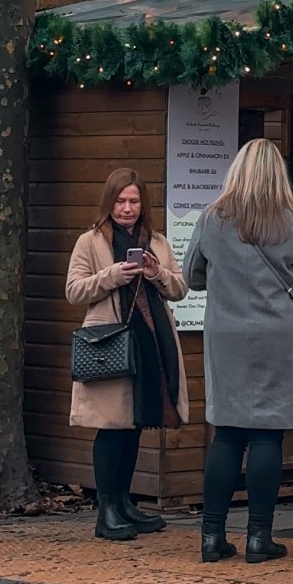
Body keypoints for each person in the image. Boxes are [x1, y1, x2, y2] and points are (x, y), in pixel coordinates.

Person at [184, 139, 293, 564]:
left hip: (225, 334)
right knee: (268, 432)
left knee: (227, 432)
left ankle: (211, 536)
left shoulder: (212, 219)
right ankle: (258, 537)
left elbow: (192, 276)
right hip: (279, 337)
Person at [66, 168, 189, 542]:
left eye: (134, 201)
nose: (127, 208)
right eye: (120, 201)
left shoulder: (158, 240)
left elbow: (180, 288)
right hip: (111, 344)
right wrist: (113, 275)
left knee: (135, 423)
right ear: (110, 202)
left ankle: (124, 503)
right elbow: (74, 291)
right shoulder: (90, 241)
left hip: (151, 343)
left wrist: (155, 273)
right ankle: (106, 511)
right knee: (112, 426)